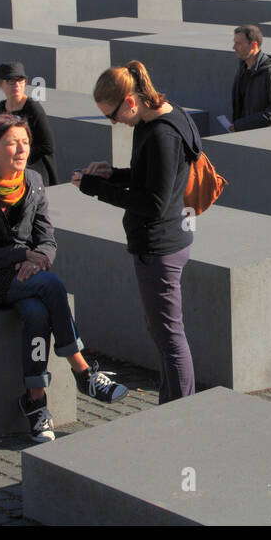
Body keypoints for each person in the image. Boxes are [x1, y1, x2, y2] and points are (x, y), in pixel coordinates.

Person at [0, 113, 127, 445]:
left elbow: (47, 239)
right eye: (12, 143)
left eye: (25, 143)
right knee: (52, 285)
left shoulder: (33, 181)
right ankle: (83, 370)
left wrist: (39, 259)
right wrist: (21, 257)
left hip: (26, 277)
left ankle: (35, 403)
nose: (21, 149)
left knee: (36, 313)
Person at [75, 62, 200, 405]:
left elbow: (154, 202)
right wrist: (112, 174)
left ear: (130, 101)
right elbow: (150, 175)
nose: (114, 123)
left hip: (159, 247)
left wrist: (94, 189)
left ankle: (180, 412)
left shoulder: (161, 134)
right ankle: (172, 403)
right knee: (164, 334)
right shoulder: (158, 119)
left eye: (113, 115)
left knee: (170, 338)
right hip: (163, 243)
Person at [0, 61, 59, 186]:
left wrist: (20, 156)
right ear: (1, 84)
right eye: (11, 81)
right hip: (13, 169)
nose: (17, 85)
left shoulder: (33, 108)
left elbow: (48, 146)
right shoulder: (2, 107)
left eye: (20, 80)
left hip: (36, 170)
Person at [228, 24, 271, 132]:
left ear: (254, 45)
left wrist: (241, 125)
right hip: (243, 135)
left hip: (266, 138)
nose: (234, 47)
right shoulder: (242, 69)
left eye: (239, 43)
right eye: (234, 43)